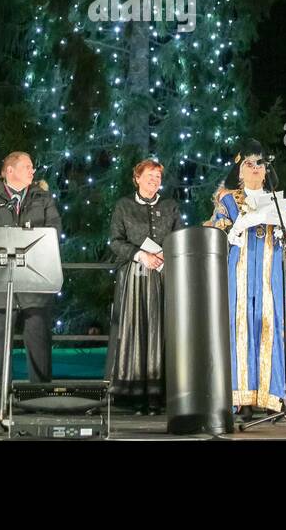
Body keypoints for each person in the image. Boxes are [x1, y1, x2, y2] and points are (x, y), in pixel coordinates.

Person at [205, 139, 286, 416]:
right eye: (248, 164)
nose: (254, 169)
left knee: (271, 329)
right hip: (237, 279)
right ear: (239, 171)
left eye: (259, 164)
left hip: (270, 280)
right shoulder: (227, 201)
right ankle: (237, 399)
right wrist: (237, 228)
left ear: (266, 170)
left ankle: (273, 396)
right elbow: (213, 241)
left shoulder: (279, 203)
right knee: (238, 330)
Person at [0, 151, 62, 391]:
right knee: (0, 344)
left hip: (35, 281)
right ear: (10, 171)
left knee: (39, 341)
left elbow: (53, 231)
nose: (33, 171)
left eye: (32, 167)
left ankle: (41, 394)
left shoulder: (42, 197)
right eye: (27, 166)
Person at [105, 158, 181, 413]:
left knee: (162, 331)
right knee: (135, 331)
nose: (154, 181)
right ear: (137, 178)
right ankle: (134, 397)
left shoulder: (170, 206)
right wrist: (140, 255)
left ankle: (160, 396)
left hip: (163, 277)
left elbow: (179, 238)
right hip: (134, 278)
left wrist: (167, 257)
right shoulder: (124, 206)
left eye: (158, 177)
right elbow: (115, 241)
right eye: (149, 176)